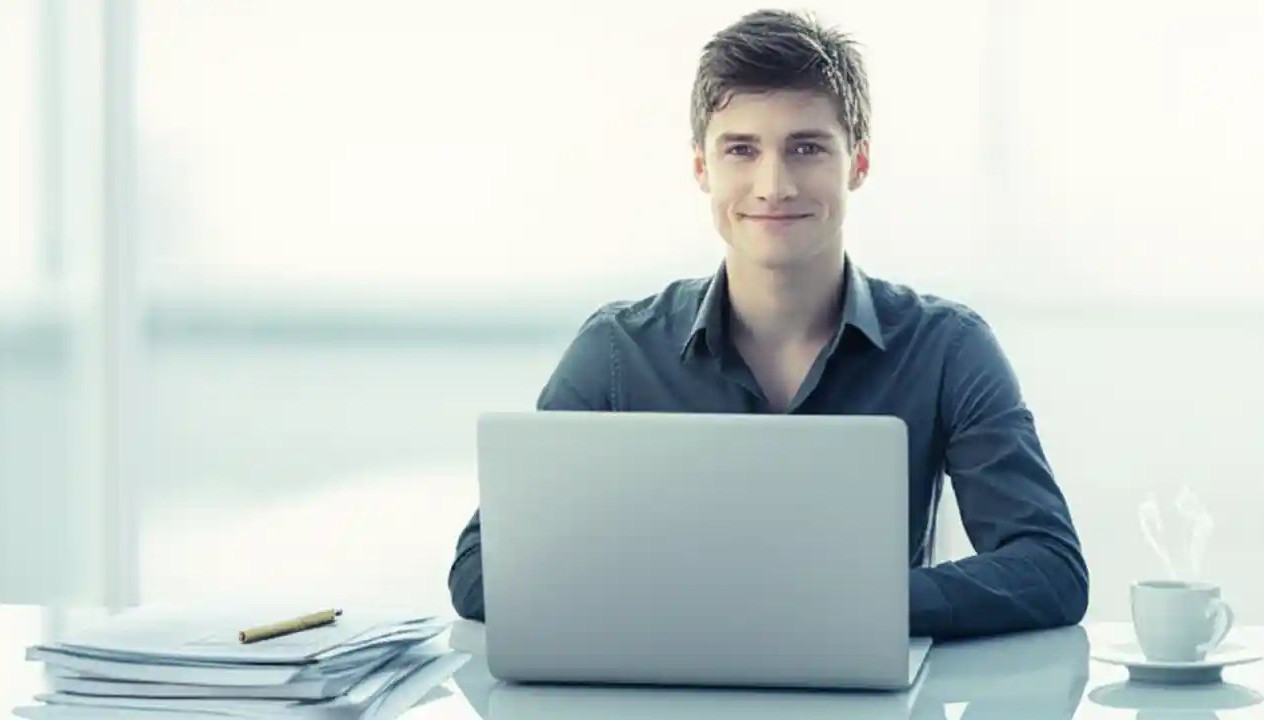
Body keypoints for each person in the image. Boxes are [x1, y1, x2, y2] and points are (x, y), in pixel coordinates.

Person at [447, 9, 1088, 640]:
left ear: (858, 164)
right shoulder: (616, 351)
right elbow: (481, 572)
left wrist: (846, 606)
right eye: (741, 150)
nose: (773, 185)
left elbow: (1050, 569)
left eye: (806, 148)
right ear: (702, 167)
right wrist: (691, 604)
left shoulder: (948, 347)